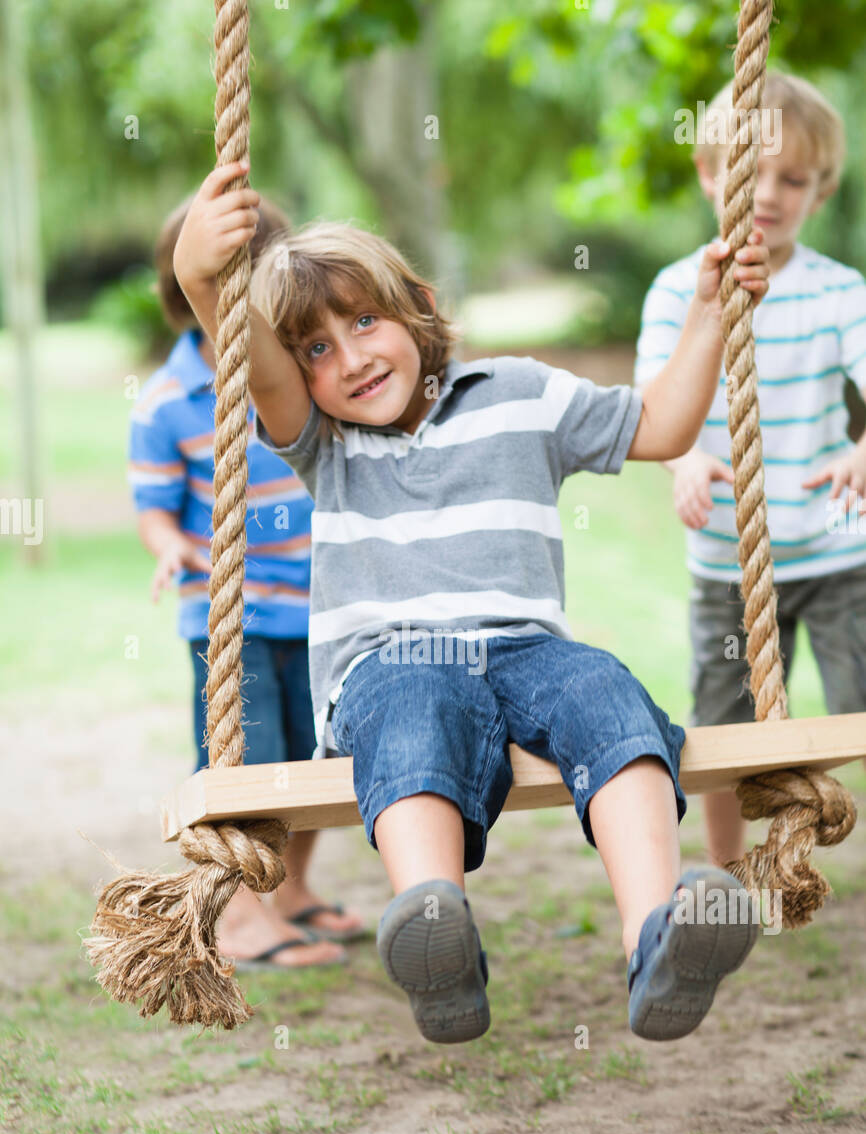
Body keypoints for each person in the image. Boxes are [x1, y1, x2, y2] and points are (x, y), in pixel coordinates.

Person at [172, 158, 770, 1044]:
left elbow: (661, 426)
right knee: (418, 712)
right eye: (317, 350)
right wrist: (199, 277)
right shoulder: (321, 442)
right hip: (392, 661)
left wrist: (712, 313)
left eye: (365, 319)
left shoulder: (521, 394)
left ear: (414, 303)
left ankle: (657, 936)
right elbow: (253, 364)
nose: (352, 356)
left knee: (607, 693)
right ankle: (435, 927)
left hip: (528, 647)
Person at [128, 191, 364, 971]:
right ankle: (236, 918)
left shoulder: (295, 373)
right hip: (227, 614)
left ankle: (291, 893)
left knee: (316, 760)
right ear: (182, 293)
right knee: (245, 761)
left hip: (314, 604)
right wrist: (169, 548)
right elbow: (155, 507)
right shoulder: (167, 402)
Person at [636, 72, 866, 869]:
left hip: (840, 556)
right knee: (726, 728)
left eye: (792, 178)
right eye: (747, 171)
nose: (767, 193)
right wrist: (686, 459)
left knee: (860, 712)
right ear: (709, 175)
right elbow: (652, 402)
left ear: (821, 189)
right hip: (729, 562)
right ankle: (727, 868)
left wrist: (862, 451)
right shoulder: (677, 291)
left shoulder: (841, 293)